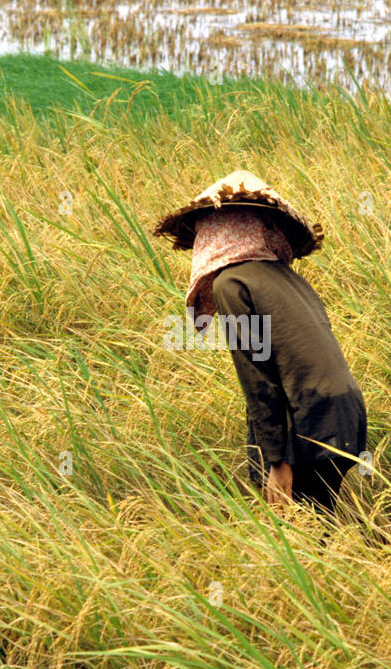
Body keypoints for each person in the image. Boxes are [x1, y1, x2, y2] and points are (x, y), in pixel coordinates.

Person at [154, 170, 367, 512]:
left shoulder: (231, 283)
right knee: (319, 526)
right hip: (345, 415)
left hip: (310, 421)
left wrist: (276, 463)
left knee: (301, 534)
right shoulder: (292, 281)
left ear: (218, 234)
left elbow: (258, 380)